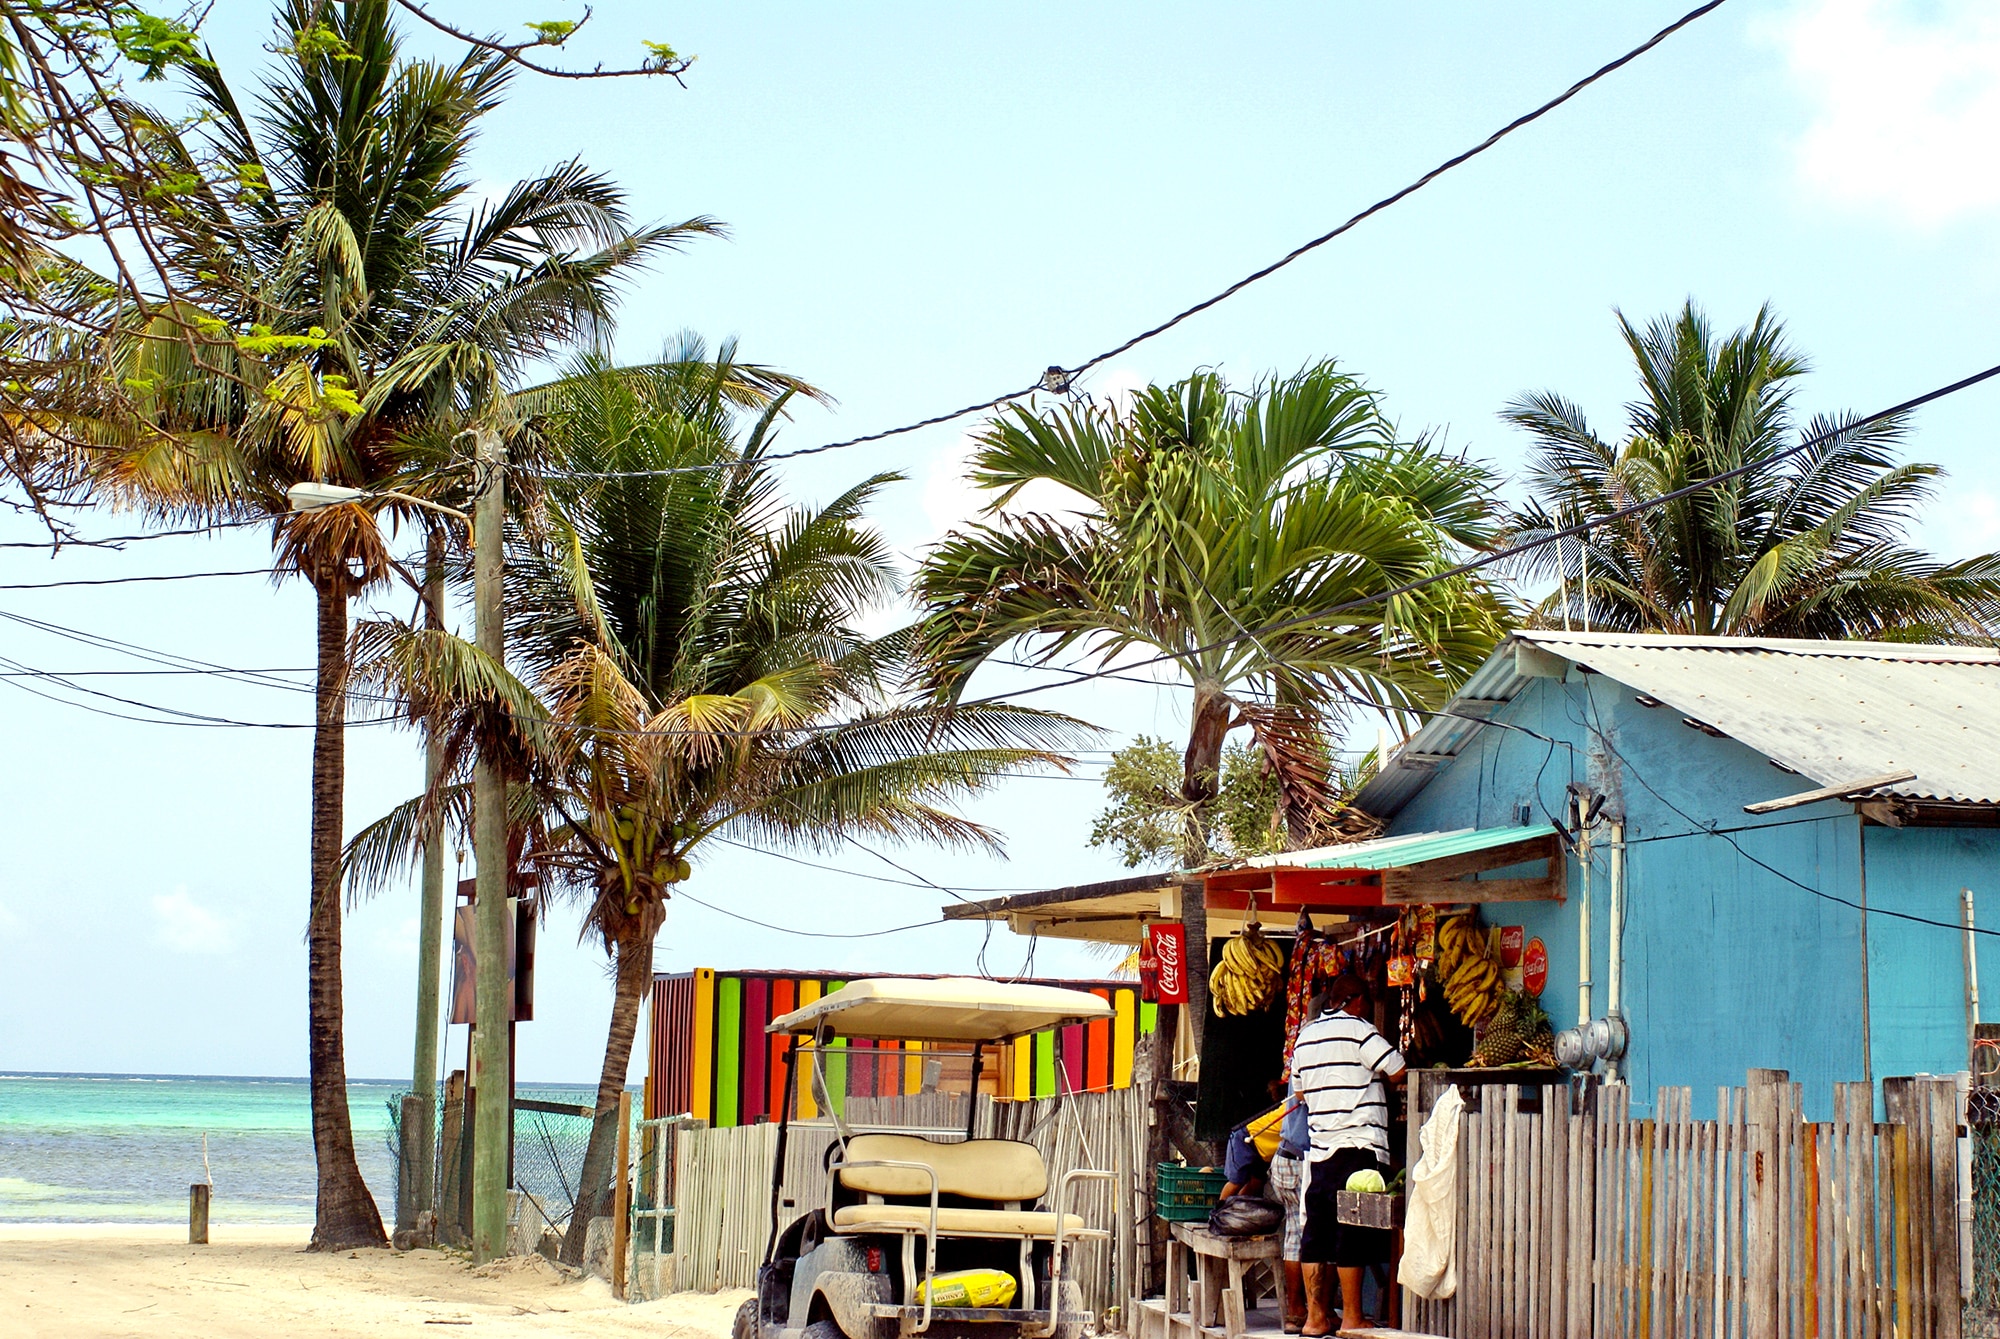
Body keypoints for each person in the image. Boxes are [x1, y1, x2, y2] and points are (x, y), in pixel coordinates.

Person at [1290, 971, 1406, 1336]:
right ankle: (1352, 1318)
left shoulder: (1305, 1038)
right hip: (1358, 1147)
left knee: (1317, 1232)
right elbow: (1398, 1071)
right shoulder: (1359, 1031)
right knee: (1351, 1231)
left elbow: (1300, 1095)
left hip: (1320, 1150)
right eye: (1366, 1004)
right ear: (1355, 1000)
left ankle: (1315, 1318)